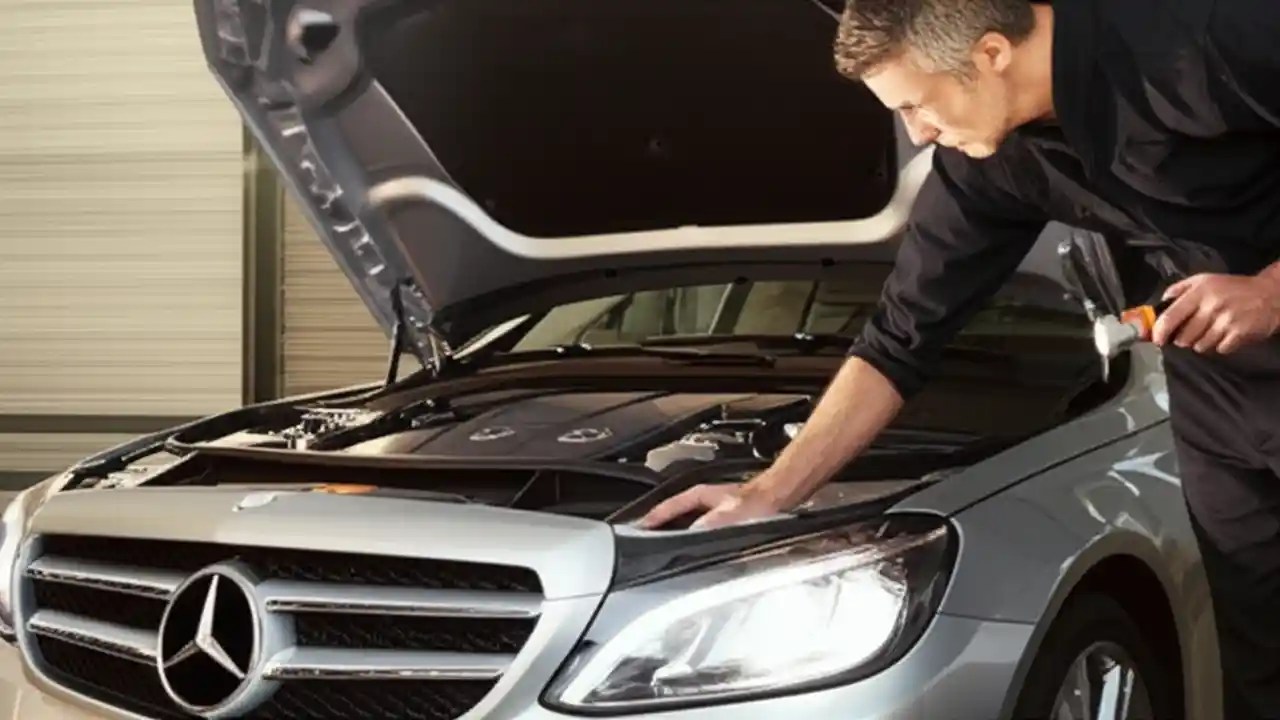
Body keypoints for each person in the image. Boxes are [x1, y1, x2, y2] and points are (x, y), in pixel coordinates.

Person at [638, 0, 1280, 715]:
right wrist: (767, 493)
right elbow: (900, 338)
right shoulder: (990, 160)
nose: (916, 132)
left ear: (992, 53)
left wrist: (1271, 291)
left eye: (917, 104)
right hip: (1222, 405)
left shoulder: (1200, 36)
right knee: (1259, 656)